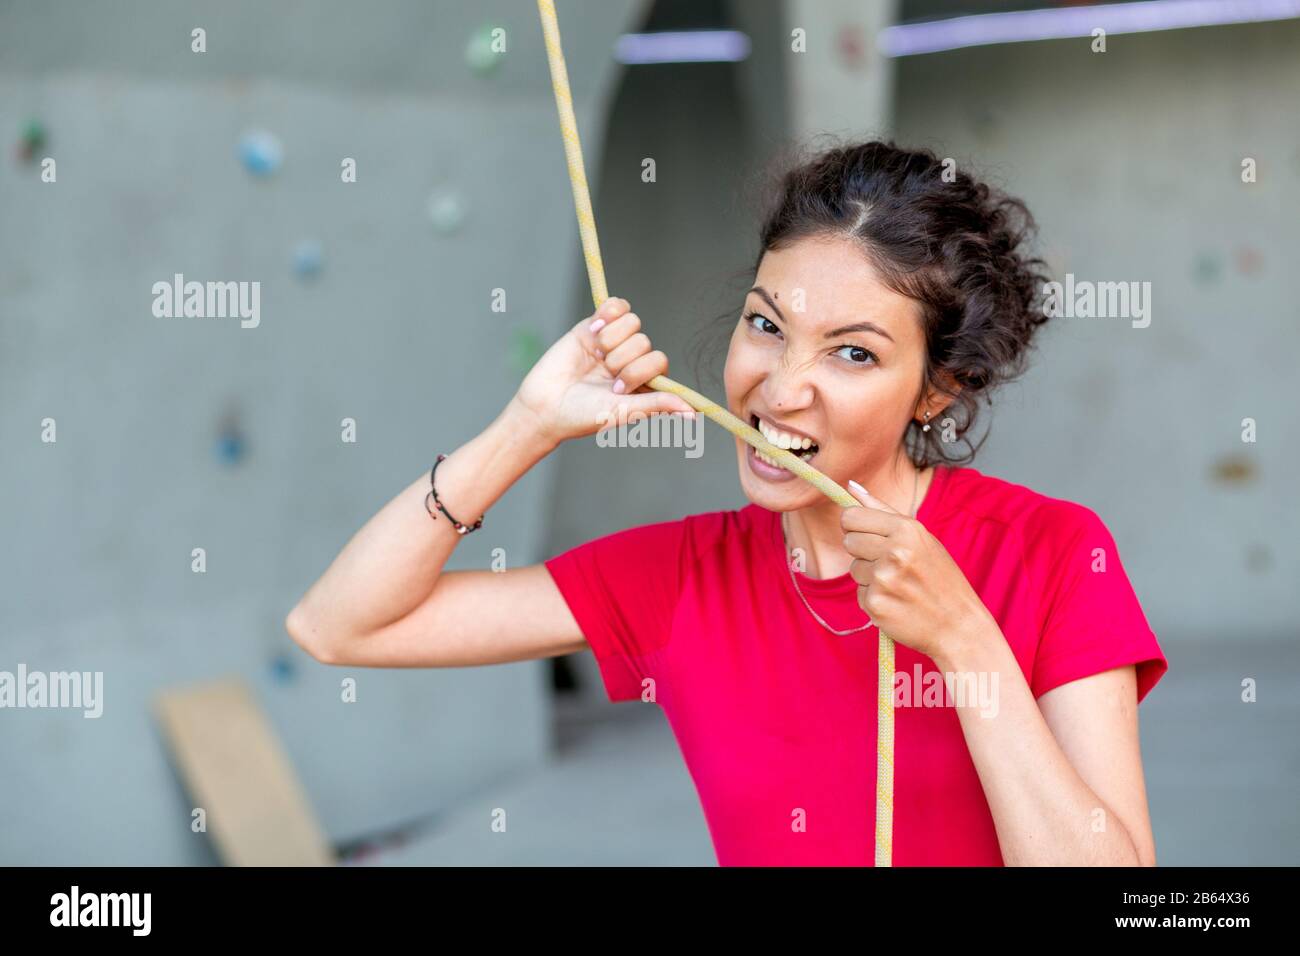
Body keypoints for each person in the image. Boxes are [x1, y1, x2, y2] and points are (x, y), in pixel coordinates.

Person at [286, 141, 1168, 866]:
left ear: (938, 389)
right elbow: (341, 627)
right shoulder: (680, 577)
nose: (780, 391)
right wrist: (524, 428)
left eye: (852, 354)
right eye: (766, 325)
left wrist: (967, 641)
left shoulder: (1049, 552)